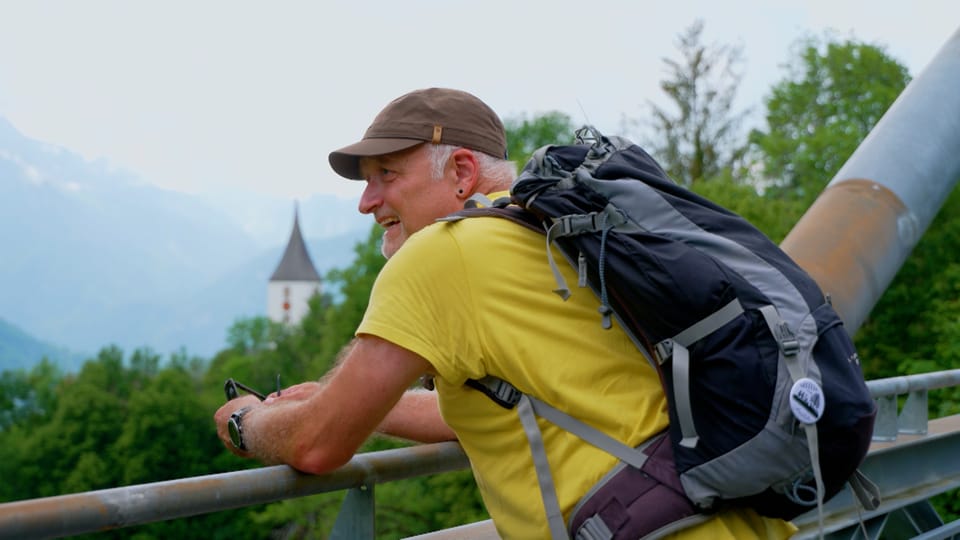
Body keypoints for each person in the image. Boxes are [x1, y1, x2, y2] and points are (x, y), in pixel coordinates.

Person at [214, 88, 797, 539]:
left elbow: (316, 445)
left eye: (387, 175)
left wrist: (247, 420)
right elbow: (519, 400)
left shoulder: (445, 253)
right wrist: (346, 400)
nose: (367, 203)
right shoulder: (558, 231)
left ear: (462, 172)